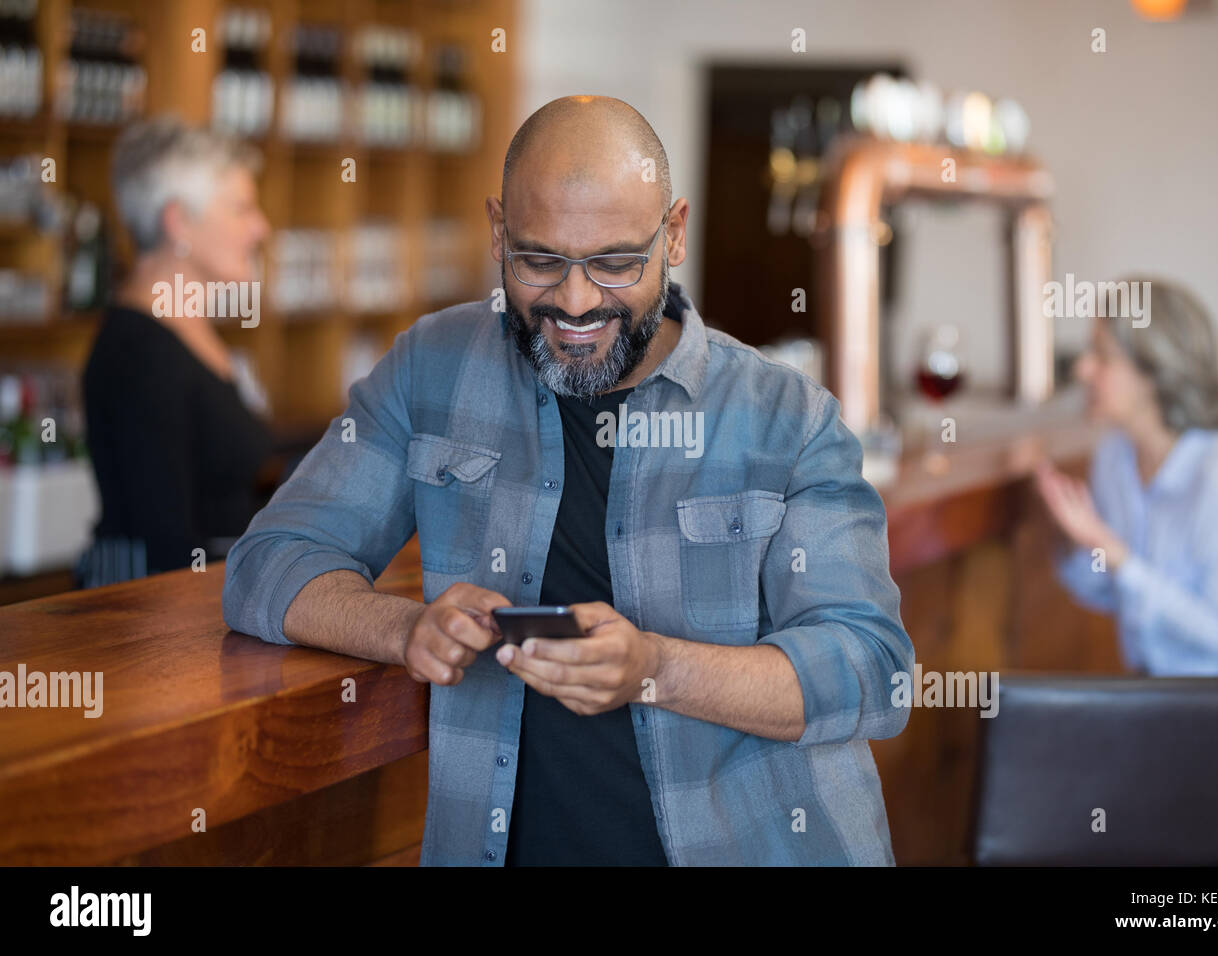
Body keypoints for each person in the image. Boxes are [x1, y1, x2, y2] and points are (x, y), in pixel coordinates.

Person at [222, 95, 913, 865]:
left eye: (616, 263)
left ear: (674, 234)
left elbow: (871, 671)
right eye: (540, 261)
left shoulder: (788, 418)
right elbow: (268, 563)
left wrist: (656, 667)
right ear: (497, 232)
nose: (576, 302)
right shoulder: (433, 370)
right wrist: (407, 631)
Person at [1036, 278, 1218, 787]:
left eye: (1102, 357)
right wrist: (1076, 540)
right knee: (1057, 769)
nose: (1082, 369)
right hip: (1170, 696)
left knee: (1132, 789)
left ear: (1155, 375)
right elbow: (1105, 590)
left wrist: (1119, 558)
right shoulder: (1115, 456)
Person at [79, 117, 273, 586]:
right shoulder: (140, 354)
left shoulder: (190, 331)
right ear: (178, 222)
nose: (261, 227)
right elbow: (168, 541)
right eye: (241, 208)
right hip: (143, 617)